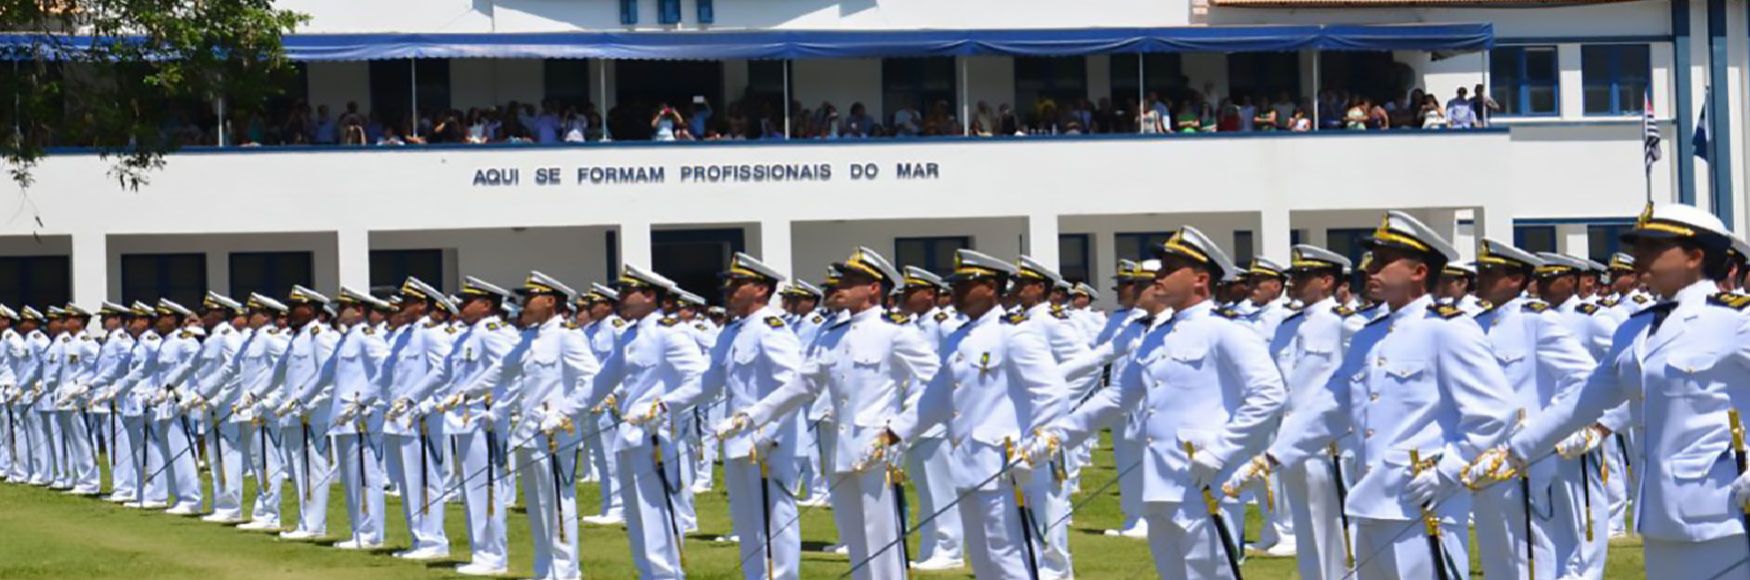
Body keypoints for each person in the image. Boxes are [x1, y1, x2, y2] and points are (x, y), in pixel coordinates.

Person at [1468, 201, 1750, 579]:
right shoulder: (1635, 328)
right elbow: (1584, 400)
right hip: (1662, 513)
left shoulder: (1733, 320)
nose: (1639, 255)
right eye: (1638, 245)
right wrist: (1514, 452)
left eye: (1653, 246)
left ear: (1694, 256)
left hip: (1725, 512)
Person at [1245, 211, 1517, 580]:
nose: (1371, 269)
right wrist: (1274, 457)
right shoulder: (1369, 335)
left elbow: (1494, 411)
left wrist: (1450, 468)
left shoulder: (1448, 330)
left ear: (1419, 272)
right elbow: (1332, 404)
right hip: (1372, 498)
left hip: (1424, 501)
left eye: (1384, 261)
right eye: (1373, 259)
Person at [1023, 226, 1287, 579]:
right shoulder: (1158, 334)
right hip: (1160, 482)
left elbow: (1269, 394)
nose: (1157, 276)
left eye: (1169, 268)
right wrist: (1058, 436)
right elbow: (1118, 395)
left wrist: (1221, 451)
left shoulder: (1226, 329)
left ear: (1200, 279)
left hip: (1204, 480)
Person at [719, 248, 935, 580]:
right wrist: (752, 416)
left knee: (883, 546)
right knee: (857, 541)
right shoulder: (834, 335)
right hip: (841, 451)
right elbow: (802, 385)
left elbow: (936, 382)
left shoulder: (895, 331)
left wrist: (899, 429)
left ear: (874, 288)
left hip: (877, 451)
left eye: (851, 281)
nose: (840, 287)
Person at [651, 254, 805, 580]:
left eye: (738, 284)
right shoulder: (734, 331)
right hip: (739, 441)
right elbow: (710, 379)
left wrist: (768, 434)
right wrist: (665, 404)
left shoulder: (771, 330)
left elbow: (795, 386)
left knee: (775, 525)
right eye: (729, 283)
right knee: (749, 525)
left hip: (768, 444)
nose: (729, 290)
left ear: (761, 289)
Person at [1469, 240, 1601, 580]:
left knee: (1530, 558)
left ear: (1515, 280)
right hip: (1483, 455)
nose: (1479, 279)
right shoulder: (1475, 324)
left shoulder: (1537, 321)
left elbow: (1583, 376)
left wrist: (1544, 429)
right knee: (1496, 555)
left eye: (1490, 272)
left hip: (1524, 460)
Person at [466, 272, 602, 580]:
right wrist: (467, 392)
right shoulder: (530, 337)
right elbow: (501, 370)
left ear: (551, 301)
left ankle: (566, 572)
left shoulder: (567, 335)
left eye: (531, 299)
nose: (524, 305)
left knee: (557, 503)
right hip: (528, 433)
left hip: (555, 433)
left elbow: (591, 378)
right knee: (539, 506)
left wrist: (564, 413)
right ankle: (545, 569)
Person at [584, 265, 708, 580]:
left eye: (628, 292)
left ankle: (667, 575)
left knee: (659, 516)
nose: (620, 298)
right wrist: (564, 413)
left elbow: (700, 379)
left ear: (650, 295)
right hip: (629, 435)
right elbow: (600, 383)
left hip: (657, 437)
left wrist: (664, 407)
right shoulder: (630, 335)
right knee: (638, 518)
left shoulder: (670, 332)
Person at [420, 277, 521, 576]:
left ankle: (493, 556)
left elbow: (515, 372)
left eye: (468, 302)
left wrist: (500, 409)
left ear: (486, 305)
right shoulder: (468, 335)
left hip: (483, 420)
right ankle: (482, 552)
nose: (461, 307)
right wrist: (415, 399)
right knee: (473, 490)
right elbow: (444, 373)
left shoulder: (493, 333)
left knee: (487, 487)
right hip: (464, 421)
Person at [296, 287, 393, 550]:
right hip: (343, 419)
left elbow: (385, 369)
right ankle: (358, 531)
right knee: (352, 479)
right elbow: (325, 374)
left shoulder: (366, 336)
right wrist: (300, 398)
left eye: (344, 308)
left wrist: (365, 400)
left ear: (359, 310)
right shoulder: (345, 339)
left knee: (365, 476)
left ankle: (370, 534)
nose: (338, 312)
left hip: (360, 418)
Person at [379, 278, 457, 560]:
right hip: (400, 420)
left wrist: (425, 404)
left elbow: (444, 374)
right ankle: (418, 538)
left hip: (420, 420)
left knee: (425, 480)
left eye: (408, 302)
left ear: (422, 305)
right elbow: (390, 377)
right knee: (409, 483)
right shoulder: (405, 334)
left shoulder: (431, 334)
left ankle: (433, 541)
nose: (401, 306)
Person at [266, 287, 342, 541]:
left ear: (310, 309)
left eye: (295, 307)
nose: (289, 311)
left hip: (311, 415)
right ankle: (305, 521)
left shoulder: (319, 337)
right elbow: (280, 376)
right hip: (293, 415)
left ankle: (314, 524)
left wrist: (310, 403)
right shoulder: (296, 338)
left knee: (313, 468)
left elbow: (329, 376)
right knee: (299, 470)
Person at [176, 293, 248, 523]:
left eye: (207, 313)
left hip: (223, 405)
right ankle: (221, 504)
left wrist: (218, 398)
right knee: (216, 456)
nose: (202, 317)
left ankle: (230, 507)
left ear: (219, 314)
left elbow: (237, 373)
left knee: (227, 455)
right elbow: (194, 366)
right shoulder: (212, 338)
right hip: (209, 403)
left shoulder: (228, 337)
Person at [228, 294, 293, 532]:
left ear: (266, 315)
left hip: (262, 410)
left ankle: (269, 513)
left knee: (267, 461)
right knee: (257, 462)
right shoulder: (252, 339)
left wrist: (269, 402)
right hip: (249, 408)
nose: (247, 316)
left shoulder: (272, 338)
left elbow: (285, 373)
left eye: (252, 312)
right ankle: (261, 510)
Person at [576, 284, 629, 527]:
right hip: (592, 399)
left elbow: (626, 364)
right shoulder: (590, 330)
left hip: (610, 401)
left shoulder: (619, 328)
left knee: (611, 456)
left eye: (595, 304)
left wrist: (614, 394)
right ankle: (608, 505)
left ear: (607, 305)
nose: (590, 309)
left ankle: (618, 506)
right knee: (599, 453)